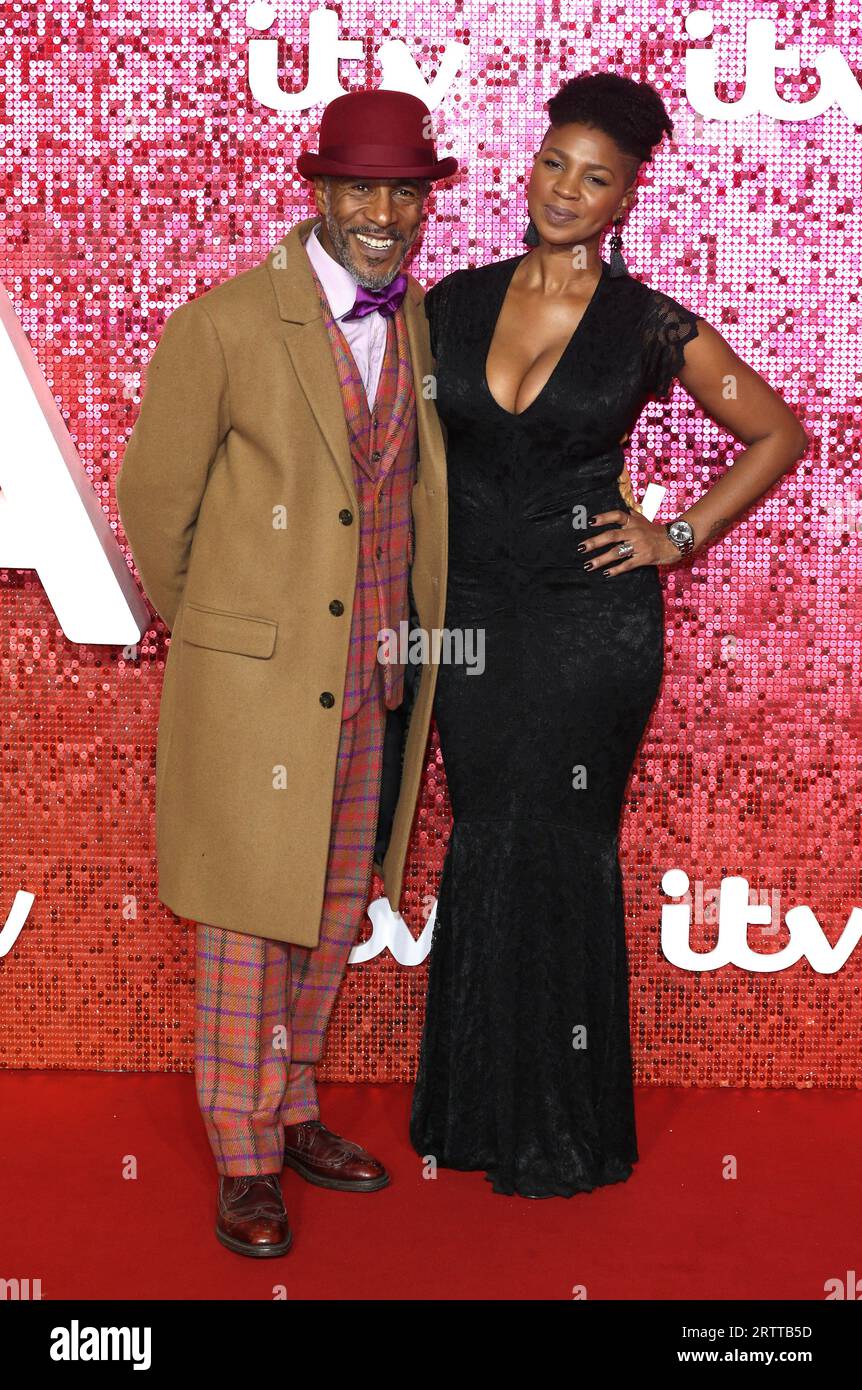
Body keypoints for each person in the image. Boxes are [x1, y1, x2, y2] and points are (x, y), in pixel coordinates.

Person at [409, 72, 809, 1198]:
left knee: (559, 842)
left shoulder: (647, 324)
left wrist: (673, 536)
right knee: (488, 831)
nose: (565, 192)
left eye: (595, 179)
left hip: (592, 625)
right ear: (528, 164)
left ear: (627, 197)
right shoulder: (453, 301)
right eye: (554, 165)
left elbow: (776, 432)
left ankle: (561, 1130)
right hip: (468, 619)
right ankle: (478, 1110)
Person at [115, 89, 463, 1256]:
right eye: (359, 189)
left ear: (422, 207)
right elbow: (153, 507)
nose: (380, 213)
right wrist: (231, 647)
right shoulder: (220, 324)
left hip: (370, 680)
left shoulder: (409, 322)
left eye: (402, 193)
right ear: (316, 192)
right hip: (261, 686)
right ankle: (244, 1154)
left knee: (326, 913)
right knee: (242, 926)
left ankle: (293, 1102)